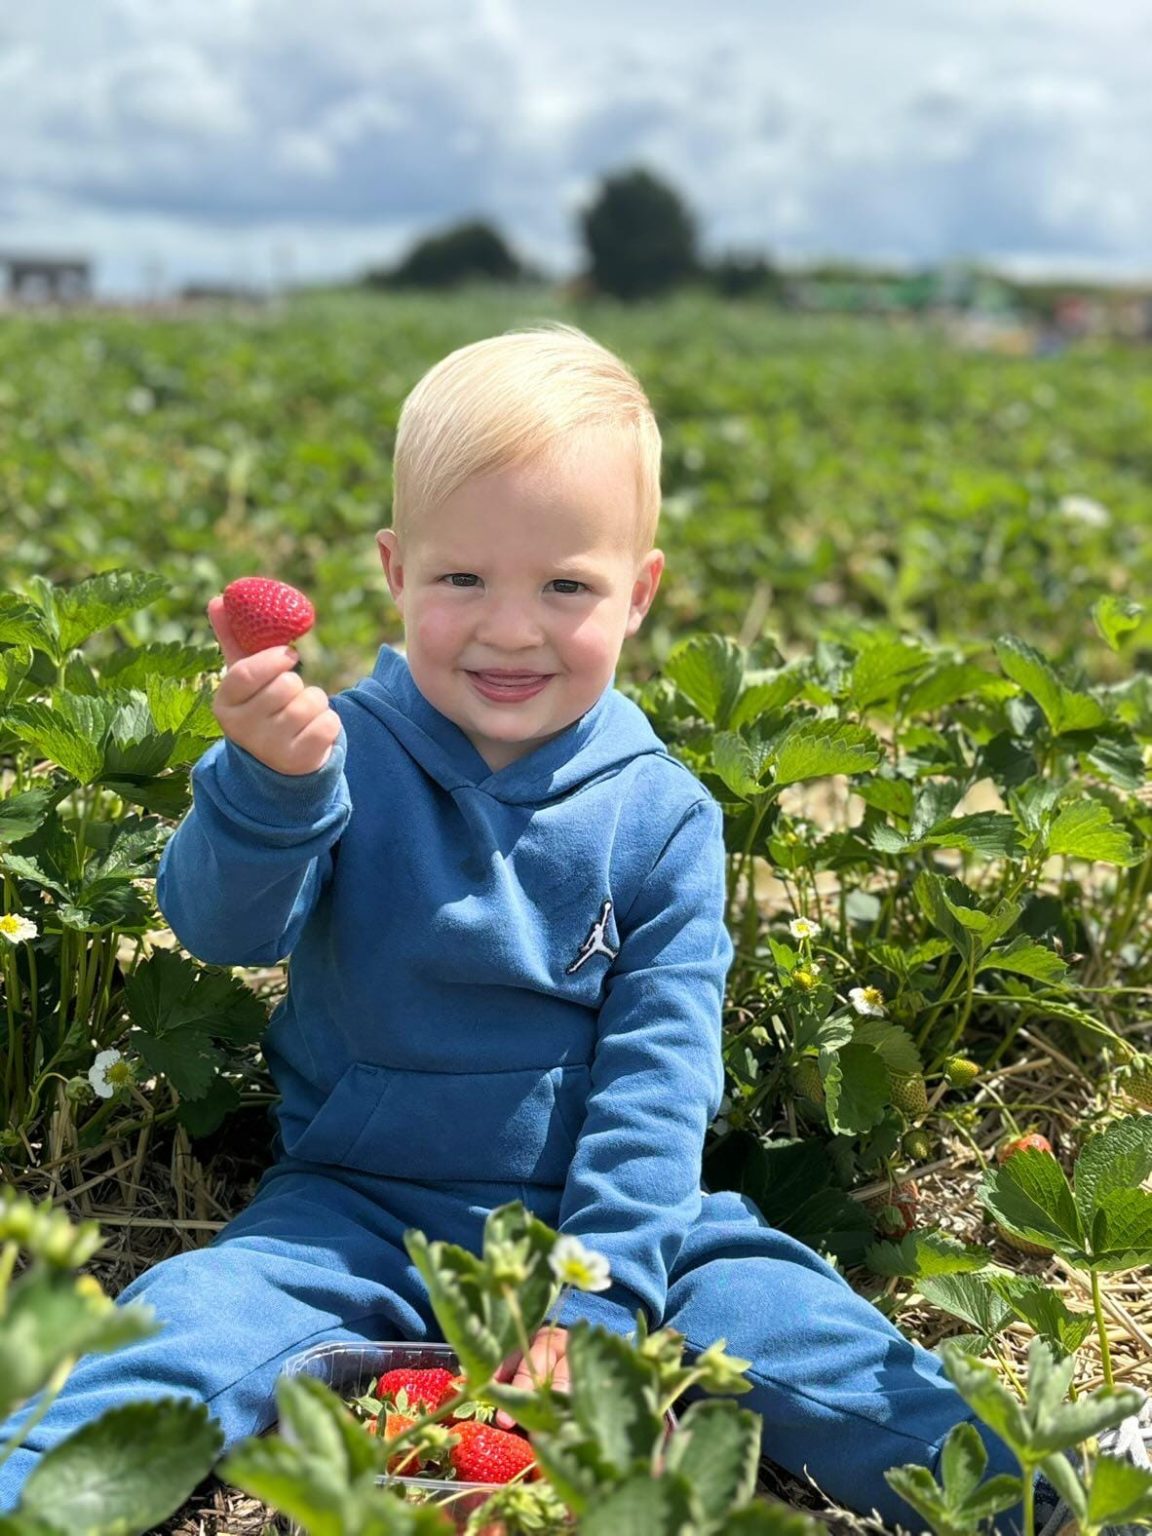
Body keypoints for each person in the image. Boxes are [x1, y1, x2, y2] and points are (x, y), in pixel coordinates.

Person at [0, 324, 1140, 1532]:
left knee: (803, 1332)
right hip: (354, 1209)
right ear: (395, 570)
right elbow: (221, 926)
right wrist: (267, 790)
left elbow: (657, 1079)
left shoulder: (662, 818)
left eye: (566, 586)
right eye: (462, 580)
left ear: (639, 592)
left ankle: (1051, 1494)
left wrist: (596, 1304)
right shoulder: (340, 755)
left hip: (621, 1227)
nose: (509, 629)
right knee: (186, 1322)